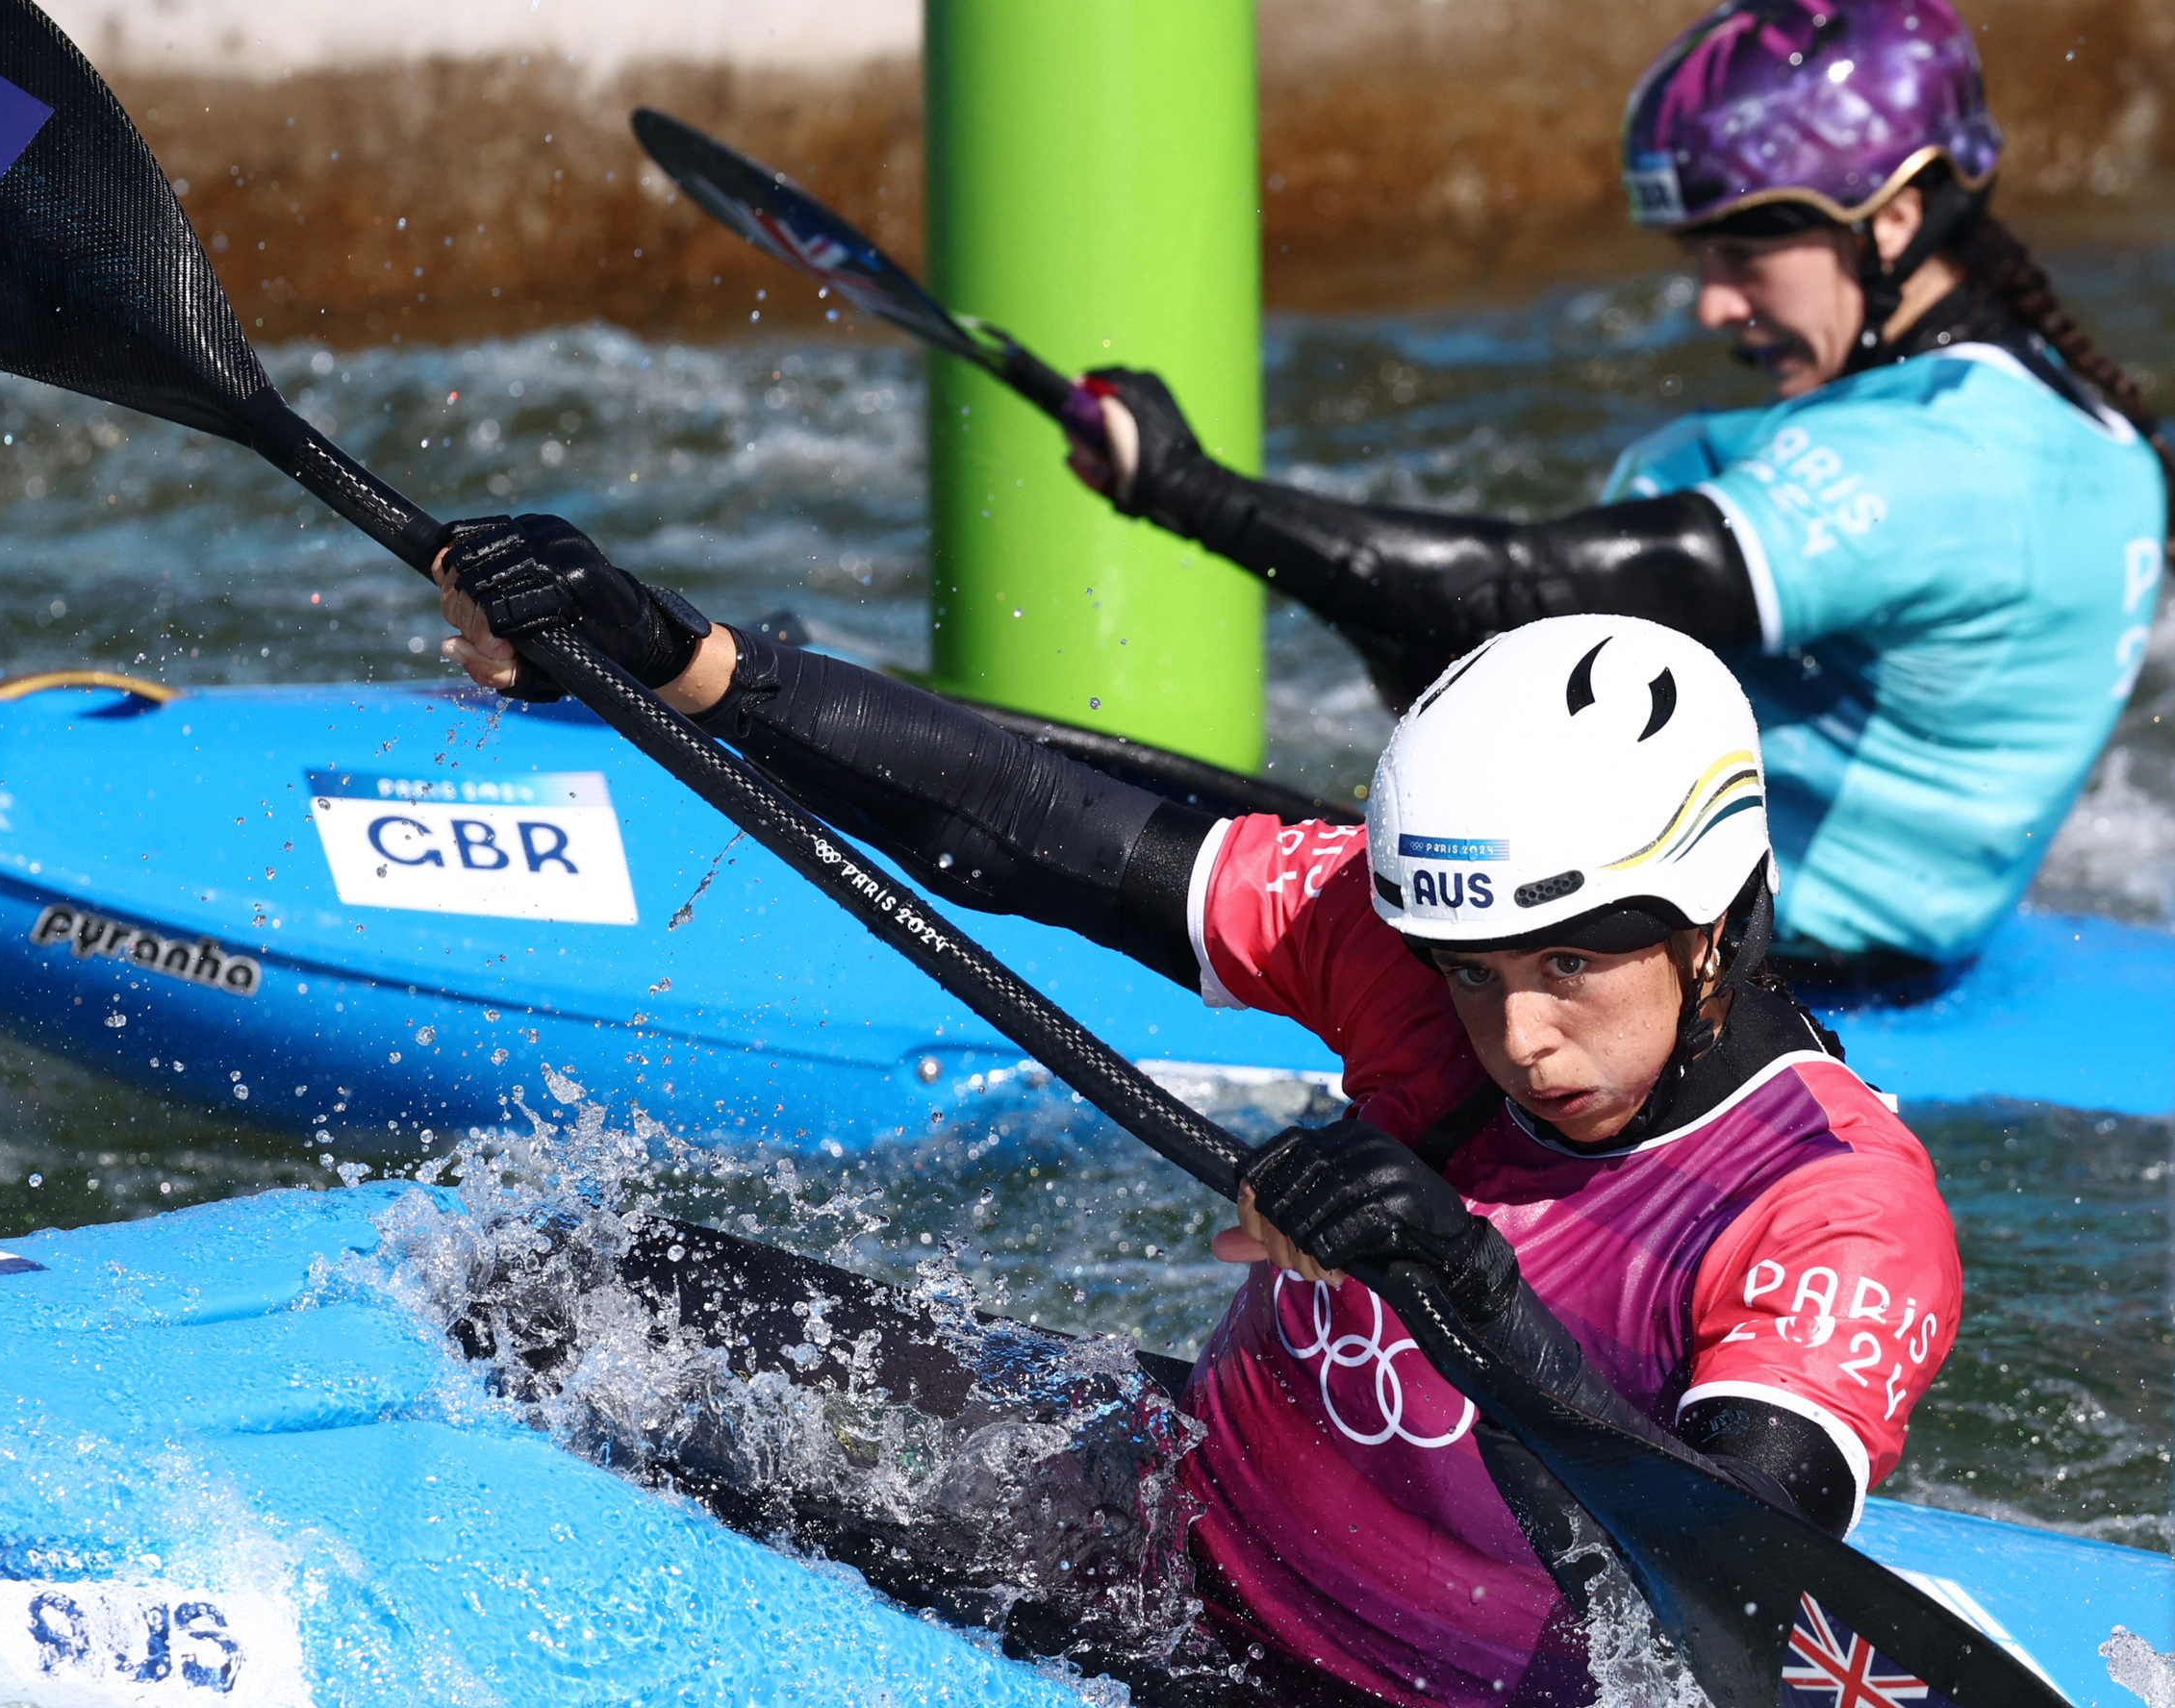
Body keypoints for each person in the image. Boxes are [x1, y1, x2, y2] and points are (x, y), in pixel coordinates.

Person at [429, 512, 1965, 1706]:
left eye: (1572, 964)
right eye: (1467, 969)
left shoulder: (1836, 1208)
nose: (1513, 1032)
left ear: (1718, 921)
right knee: (557, 1284)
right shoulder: (1407, 956)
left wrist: (1474, 1297)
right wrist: (680, 657)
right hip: (1166, 1515)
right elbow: (1035, 832)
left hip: (1411, 1688)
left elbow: (1716, 1617)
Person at [1062, 0, 2166, 973]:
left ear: (1890, 215)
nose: (1712, 307)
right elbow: (1506, 637)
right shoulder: (2071, 424)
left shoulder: (1934, 466)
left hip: (1743, 974)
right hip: (1863, 940)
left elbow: (1523, 592)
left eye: (1744, 255)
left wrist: (1186, 490)